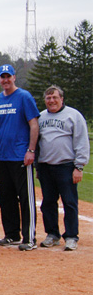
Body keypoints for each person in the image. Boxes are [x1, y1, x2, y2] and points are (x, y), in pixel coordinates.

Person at [0, 64, 40, 251]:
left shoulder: (24, 97)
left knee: (25, 197)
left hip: (20, 156)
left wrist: (31, 150)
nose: (5, 80)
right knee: (6, 197)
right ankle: (11, 234)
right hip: (2, 155)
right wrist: (0, 143)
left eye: (8, 76)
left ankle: (30, 238)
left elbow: (34, 125)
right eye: (2, 77)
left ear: (14, 77)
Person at [36, 85, 89, 251]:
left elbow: (81, 141)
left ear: (62, 99)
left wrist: (79, 166)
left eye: (55, 98)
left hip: (66, 165)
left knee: (69, 202)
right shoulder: (41, 117)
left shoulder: (73, 115)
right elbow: (37, 142)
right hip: (46, 166)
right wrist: (38, 166)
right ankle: (52, 234)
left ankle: (71, 236)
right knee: (48, 203)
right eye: (48, 98)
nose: (52, 101)